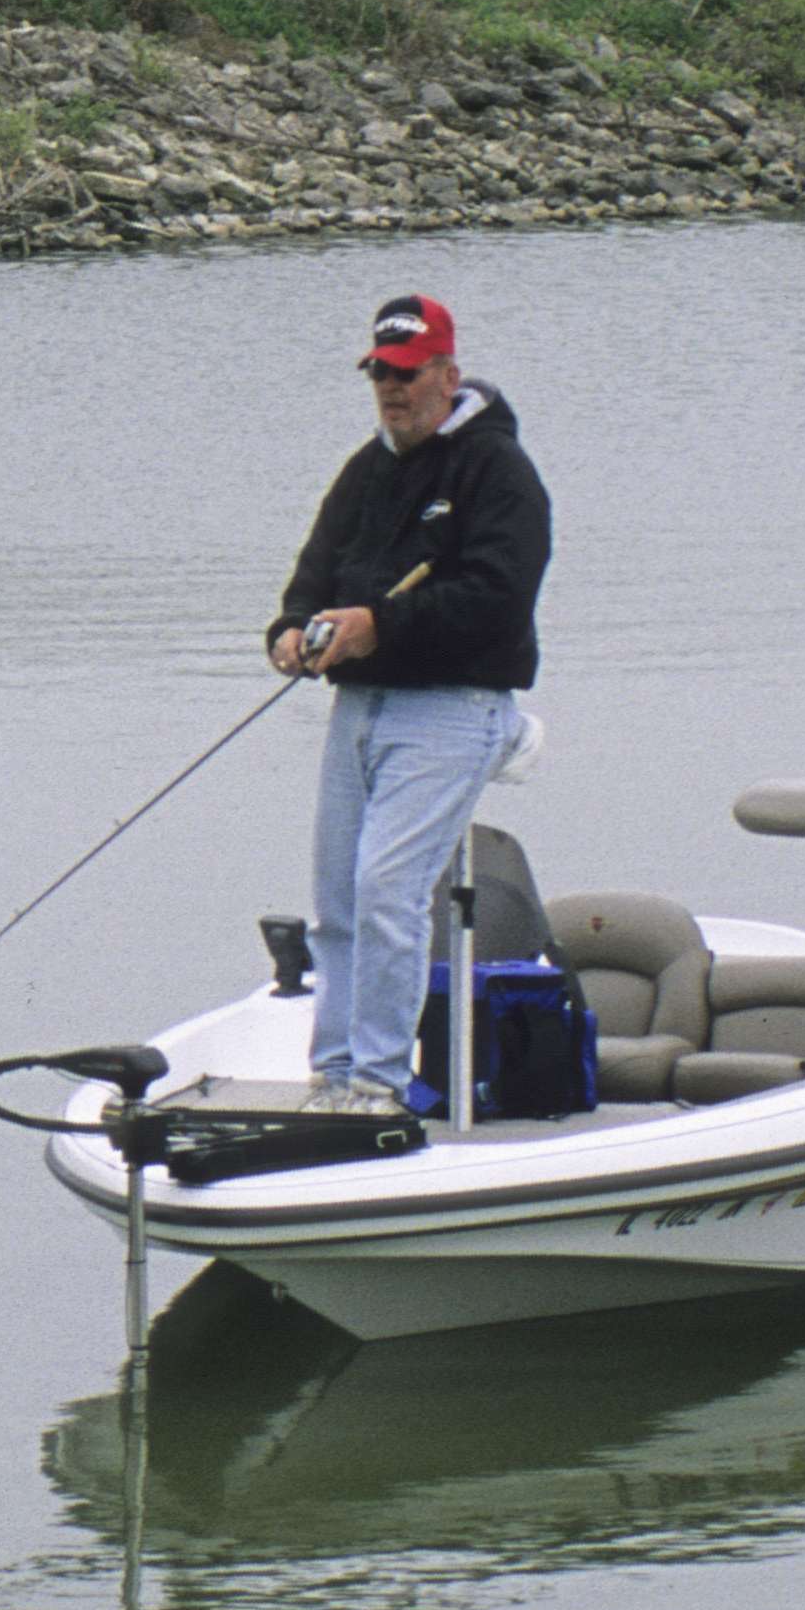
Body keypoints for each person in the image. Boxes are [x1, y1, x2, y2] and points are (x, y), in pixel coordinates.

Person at [266, 296, 551, 1114]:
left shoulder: (498, 470)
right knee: (338, 902)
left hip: (454, 708)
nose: (391, 390)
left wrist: (379, 625)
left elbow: (496, 598)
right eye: (379, 374)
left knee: (388, 893)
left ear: (447, 376)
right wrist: (291, 631)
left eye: (407, 374)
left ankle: (379, 1086)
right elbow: (316, 571)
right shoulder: (368, 468)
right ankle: (334, 1075)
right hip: (359, 708)